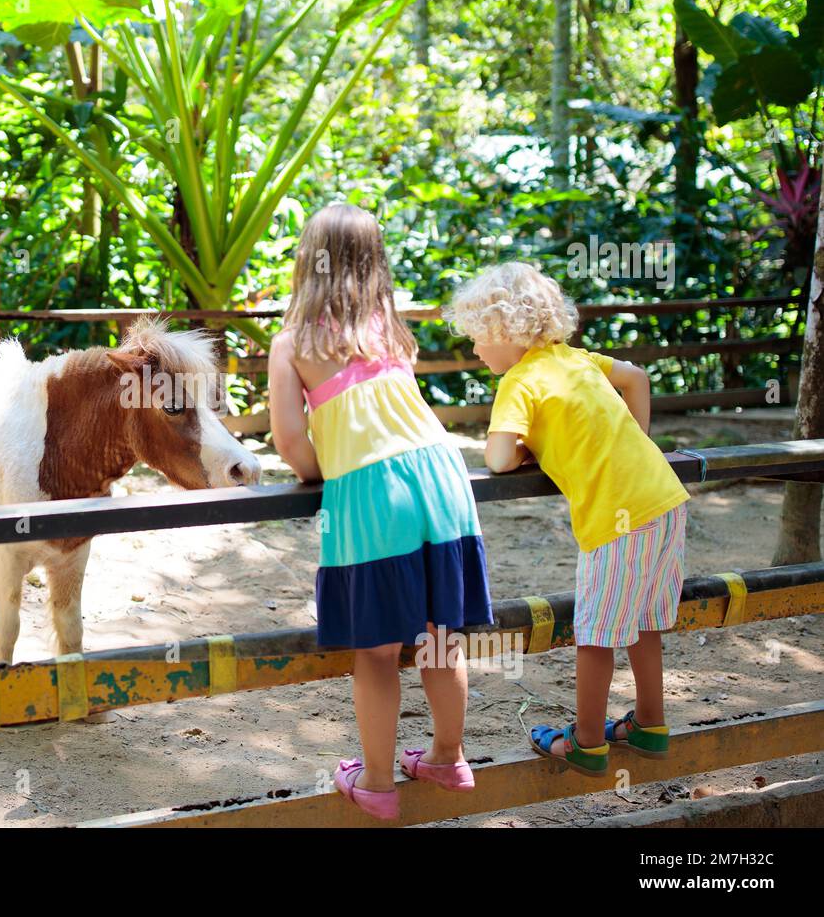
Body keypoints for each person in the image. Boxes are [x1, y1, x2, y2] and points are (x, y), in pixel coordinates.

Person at [269, 204, 492, 820]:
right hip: (443, 480)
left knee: (374, 650)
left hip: (372, 493)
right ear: (375, 262)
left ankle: (375, 781)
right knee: (440, 637)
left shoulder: (293, 343)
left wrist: (323, 471)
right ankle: (448, 756)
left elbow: (291, 441)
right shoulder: (388, 330)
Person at [445, 262, 688, 776]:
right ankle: (650, 724)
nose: (474, 351)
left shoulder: (518, 382)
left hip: (617, 521)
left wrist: (529, 446)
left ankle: (586, 744)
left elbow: (498, 459)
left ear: (502, 333)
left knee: (595, 634)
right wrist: (637, 442)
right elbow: (637, 378)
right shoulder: (577, 358)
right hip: (665, 499)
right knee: (644, 620)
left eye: (477, 339)